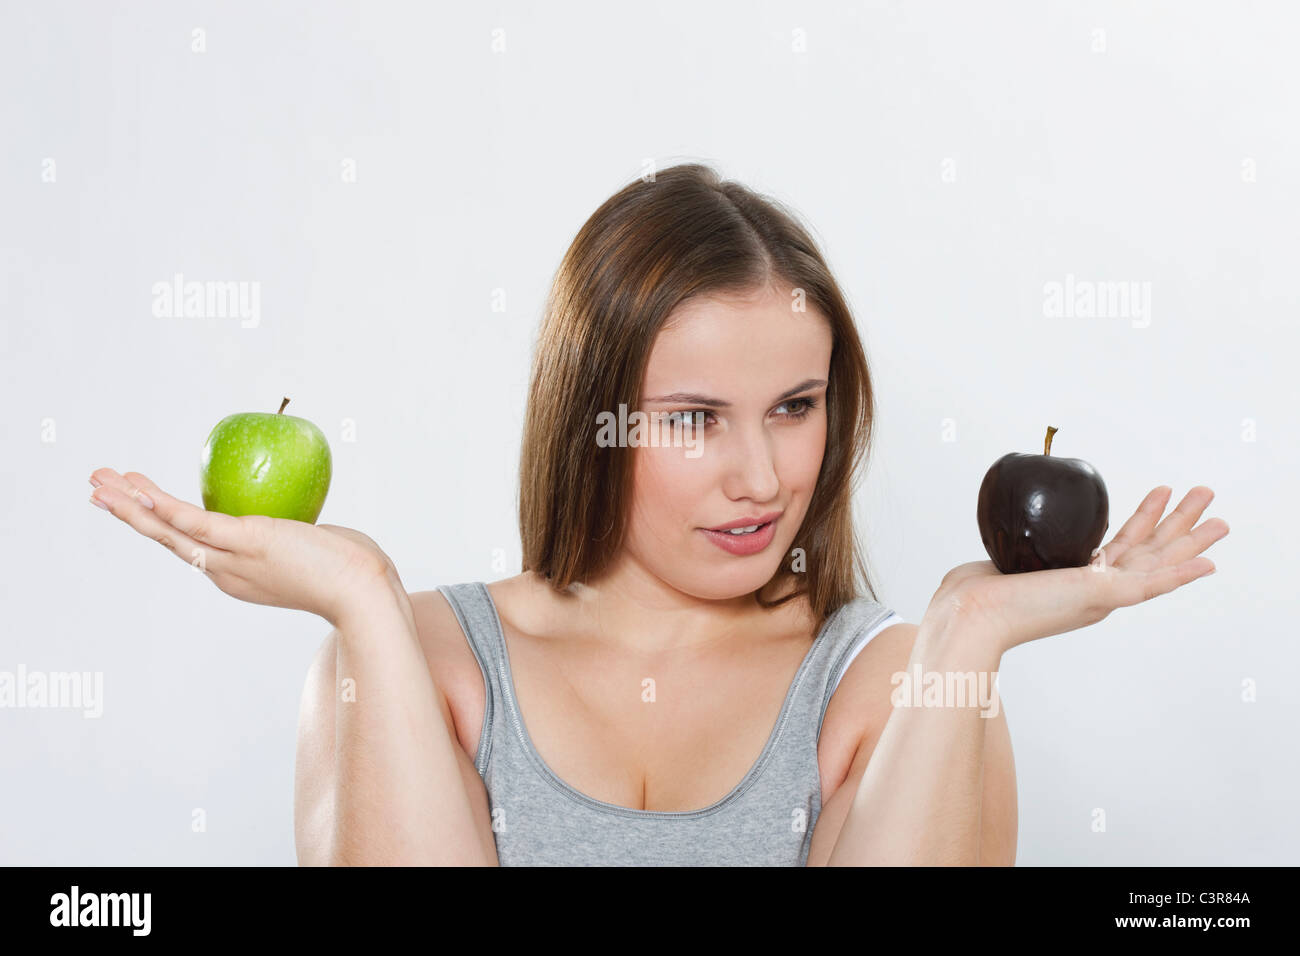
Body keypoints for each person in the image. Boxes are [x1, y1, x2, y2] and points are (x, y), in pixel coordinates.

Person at [86, 163, 1229, 866]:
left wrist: (966, 634)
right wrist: (364, 604)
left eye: (795, 406)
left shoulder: (893, 683)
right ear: (595, 421)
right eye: (691, 418)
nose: (762, 475)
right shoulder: (412, 658)